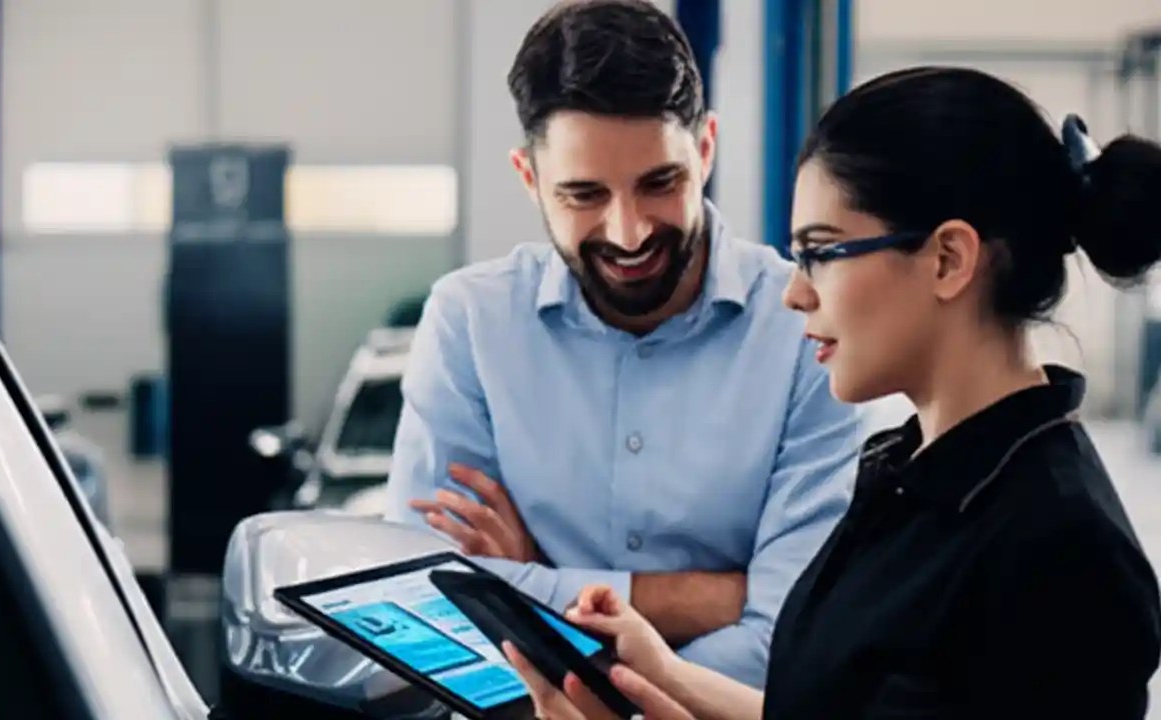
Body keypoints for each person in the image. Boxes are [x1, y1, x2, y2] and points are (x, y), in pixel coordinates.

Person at [504, 65, 1161, 719]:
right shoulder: (912, 473)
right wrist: (662, 673)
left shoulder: (1059, 549)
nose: (795, 292)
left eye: (823, 252)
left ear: (948, 260)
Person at [383, 0, 863, 687]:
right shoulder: (470, 322)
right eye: (583, 195)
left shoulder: (804, 327)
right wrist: (701, 597)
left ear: (705, 149)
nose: (630, 232)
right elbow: (427, 604)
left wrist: (537, 588)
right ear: (529, 178)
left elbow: (794, 631)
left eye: (658, 184)